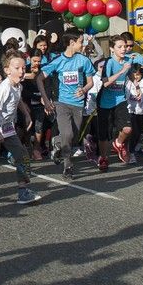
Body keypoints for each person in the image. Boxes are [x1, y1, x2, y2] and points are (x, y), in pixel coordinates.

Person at [0, 50, 40, 205]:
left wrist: (26, 114)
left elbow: (17, 101)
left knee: (22, 155)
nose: (22, 71)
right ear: (6, 70)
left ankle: (23, 192)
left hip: (8, 128)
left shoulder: (18, 86)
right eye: (17, 68)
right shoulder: (4, 88)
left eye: (24, 68)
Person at [37, 29, 96, 177]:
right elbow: (39, 78)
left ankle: (57, 142)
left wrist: (83, 89)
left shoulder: (84, 60)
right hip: (61, 103)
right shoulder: (58, 61)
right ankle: (67, 167)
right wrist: (45, 99)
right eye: (81, 42)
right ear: (71, 43)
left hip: (78, 104)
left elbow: (91, 82)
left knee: (74, 137)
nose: (82, 45)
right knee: (68, 134)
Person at [96, 35, 135, 167]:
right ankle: (103, 158)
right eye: (120, 47)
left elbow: (129, 74)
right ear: (112, 49)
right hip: (105, 102)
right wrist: (121, 71)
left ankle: (118, 143)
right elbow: (105, 83)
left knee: (128, 129)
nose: (123, 49)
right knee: (104, 134)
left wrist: (136, 84)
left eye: (124, 46)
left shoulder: (128, 60)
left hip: (120, 100)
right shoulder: (109, 62)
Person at [126, 65, 143, 157]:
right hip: (130, 111)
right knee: (134, 132)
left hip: (141, 111)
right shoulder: (128, 82)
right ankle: (130, 152)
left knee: (140, 132)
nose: (136, 76)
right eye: (134, 74)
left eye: (138, 74)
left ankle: (135, 149)